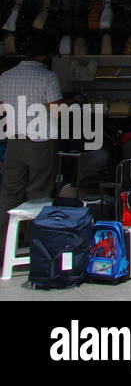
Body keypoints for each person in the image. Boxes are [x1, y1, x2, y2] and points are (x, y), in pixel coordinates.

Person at [0, 32, 64, 241]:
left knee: (10, 193)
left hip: (14, 143)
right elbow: (56, 111)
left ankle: (5, 245)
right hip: (40, 143)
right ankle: (35, 244)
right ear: (45, 56)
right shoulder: (47, 76)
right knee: (38, 194)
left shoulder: (6, 76)